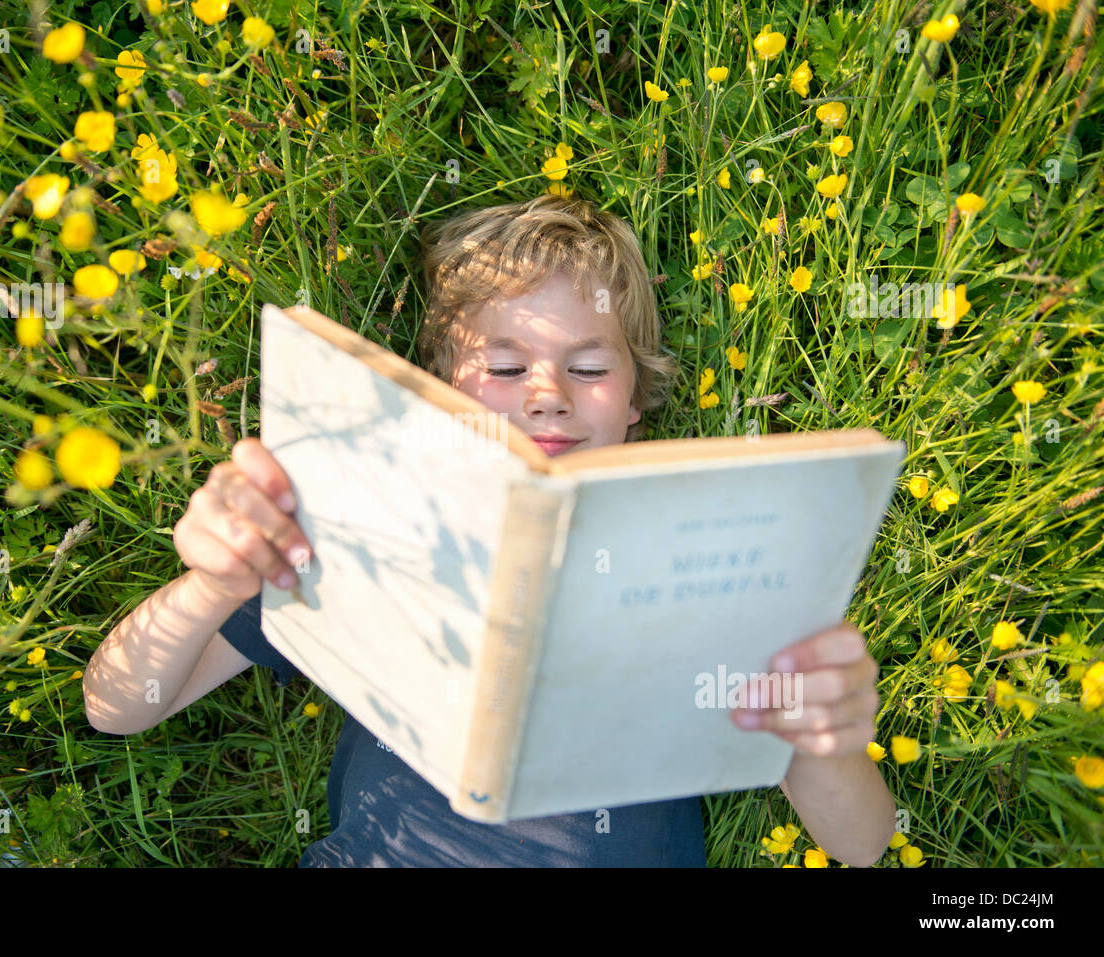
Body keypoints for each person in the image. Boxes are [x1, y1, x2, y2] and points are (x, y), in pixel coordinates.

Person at [82, 194, 897, 866]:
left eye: (589, 367)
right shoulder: (368, 529)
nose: (547, 393)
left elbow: (862, 847)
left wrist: (821, 740)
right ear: (443, 395)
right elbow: (117, 707)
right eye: (505, 368)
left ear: (636, 401)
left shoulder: (704, 576)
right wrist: (215, 584)